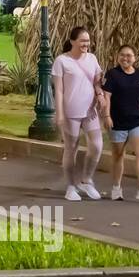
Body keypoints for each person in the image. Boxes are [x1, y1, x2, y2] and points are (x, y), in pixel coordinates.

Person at [101, 44, 139, 200]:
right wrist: (106, 116)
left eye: (129, 55)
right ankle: (116, 188)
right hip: (117, 121)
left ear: (134, 58)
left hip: (136, 120)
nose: (125, 58)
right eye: (122, 55)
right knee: (118, 155)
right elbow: (106, 96)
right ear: (118, 57)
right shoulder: (113, 74)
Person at [52, 25, 105, 201]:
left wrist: (100, 95)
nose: (86, 44)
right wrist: (59, 113)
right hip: (70, 111)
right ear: (72, 41)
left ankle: (87, 179)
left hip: (90, 110)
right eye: (82, 41)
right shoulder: (62, 61)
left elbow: (97, 82)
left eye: (88, 41)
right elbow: (58, 90)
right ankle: (70, 185)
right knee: (71, 148)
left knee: (97, 145)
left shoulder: (92, 59)